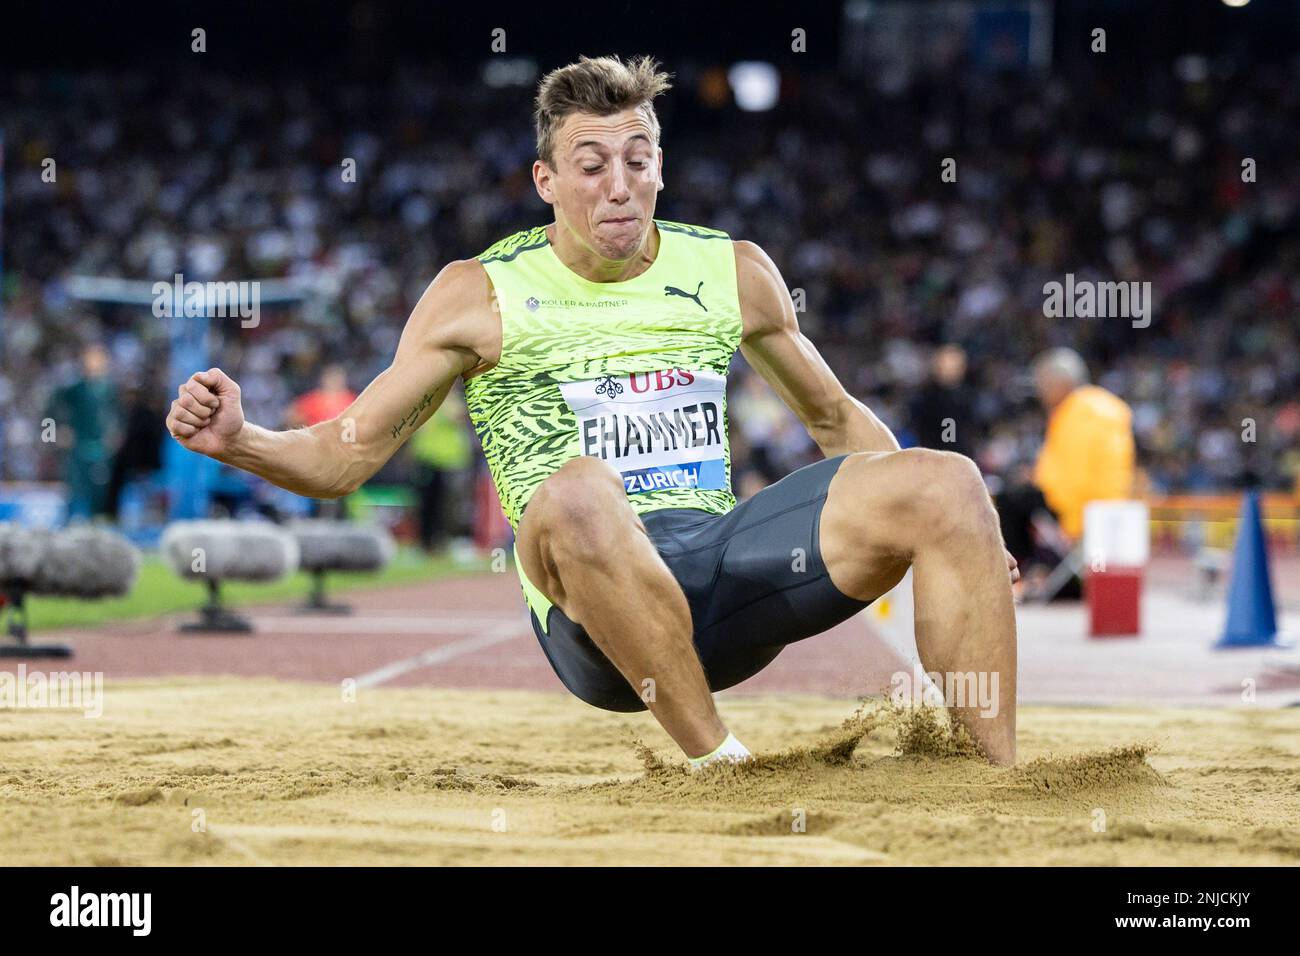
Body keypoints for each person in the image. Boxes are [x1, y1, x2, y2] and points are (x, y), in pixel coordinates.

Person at [166, 55, 1020, 768]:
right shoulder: (479, 295)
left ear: (661, 167)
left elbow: (837, 423)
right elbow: (342, 456)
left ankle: (995, 783)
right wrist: (240, 439)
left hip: (726, 578)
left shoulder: (731, 270)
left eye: (637, 159)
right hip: (595, 621)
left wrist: (964, 534)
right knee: (580, 490)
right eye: (590, 165)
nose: (619, 186)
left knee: (948, 480)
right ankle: (720, 767)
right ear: (546, 180)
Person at [1032, 348, 1136, 541]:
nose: (1040, 392)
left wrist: (1068, 528)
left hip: (1083, 523)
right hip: (1104, 517)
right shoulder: (1098, 407)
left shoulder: (1081, 415)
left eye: (1043, 383)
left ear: (1061, 382)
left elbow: (1074, 477)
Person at [45, 343, 121, 522]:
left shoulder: (110, 389)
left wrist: (116, 433)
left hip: (101, 447)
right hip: (78, 446)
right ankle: (70, 525)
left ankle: (97, 527)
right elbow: (52, 409)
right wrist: (59, 430)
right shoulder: (74, 387)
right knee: (76, 488)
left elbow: (117, 415)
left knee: (100, 489)